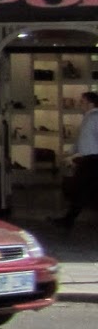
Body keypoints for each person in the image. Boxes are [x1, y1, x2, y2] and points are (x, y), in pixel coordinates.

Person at [56, 91, 98, 229]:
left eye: (82, 101)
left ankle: (68, 220)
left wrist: (74, 154)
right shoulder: (89, 118)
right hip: (89, 159)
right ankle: (68, 220)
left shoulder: (94, 118)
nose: (80, 104)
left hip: (92, 160)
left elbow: (87, 142)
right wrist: (71, 153)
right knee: (82, 190)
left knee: (80, 190)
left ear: (90, 103)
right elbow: (84, 140)